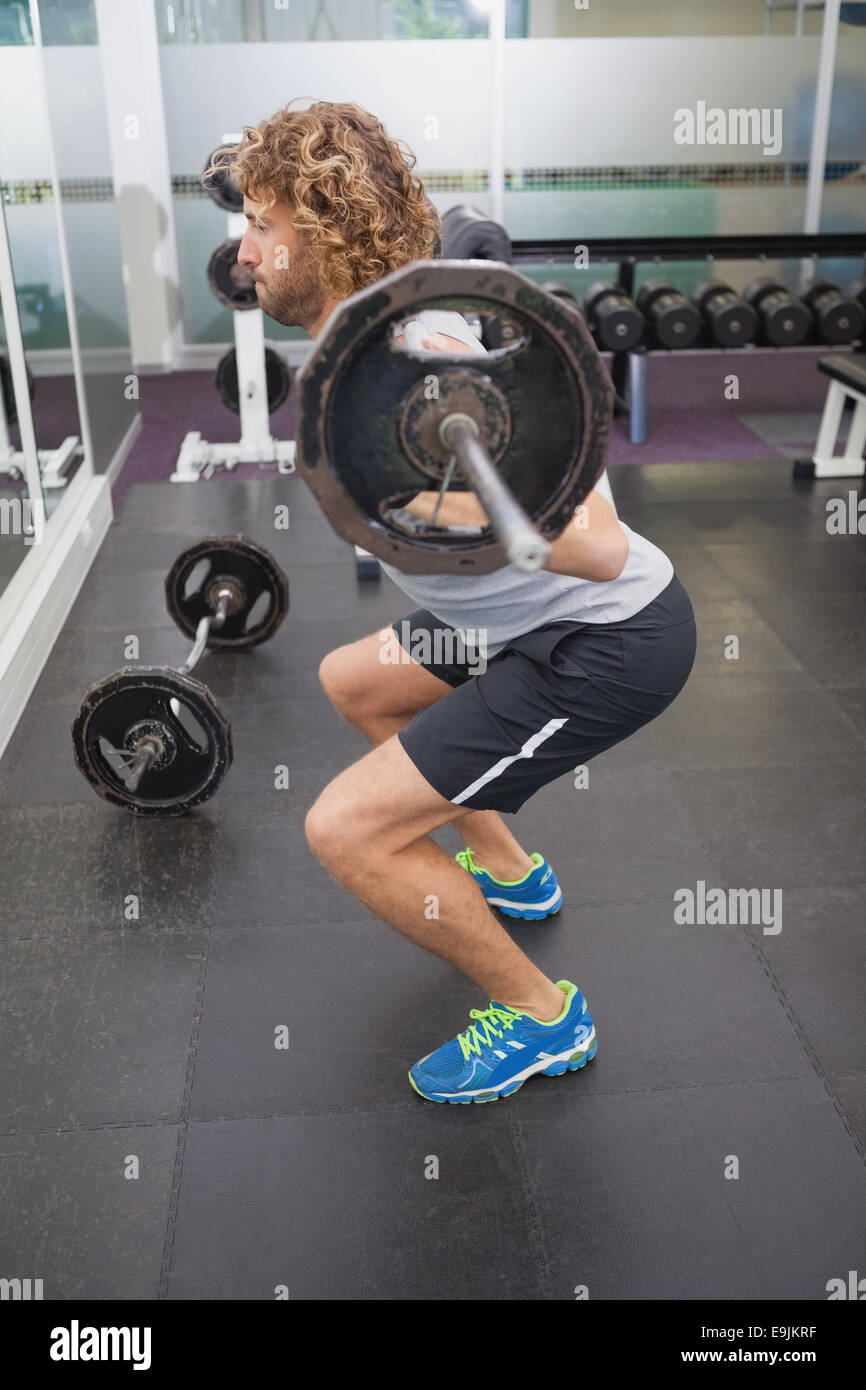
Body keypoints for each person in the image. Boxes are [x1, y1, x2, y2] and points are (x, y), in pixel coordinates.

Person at [213, 99, 697, 1104]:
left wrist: (418, 491)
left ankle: (538, 1017)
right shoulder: (373, 312)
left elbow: (599, 548)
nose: (243, 251)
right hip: (508, 621)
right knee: (357, 682)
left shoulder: (419, 359)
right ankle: (511, 870)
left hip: (598, 643)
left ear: (326, 232)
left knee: (346, 830)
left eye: (261, 226)